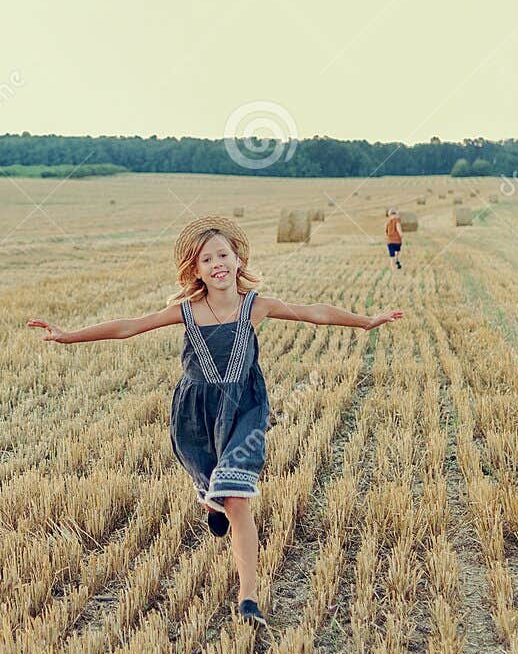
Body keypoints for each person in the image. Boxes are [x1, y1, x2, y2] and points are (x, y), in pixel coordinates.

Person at [27, 215, 403, 628]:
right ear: (196, 270)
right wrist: (68, 335)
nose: (217, 264)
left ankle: (248, 597)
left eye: (223, 255)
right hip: (196, 414)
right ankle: (213, 500)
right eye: (206, 259)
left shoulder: (256, 306)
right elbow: (128, 328)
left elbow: (317, 314)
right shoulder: (186, 311)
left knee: (238, 498)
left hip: (245, 409)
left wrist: (366, 321)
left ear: (238, 259)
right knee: (216, 487)